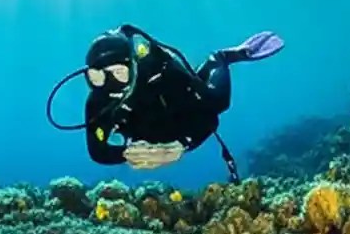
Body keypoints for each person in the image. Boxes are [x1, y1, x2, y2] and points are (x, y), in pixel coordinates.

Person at [45, 23, 284, 182]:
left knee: (217, 101)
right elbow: (97, 152)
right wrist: (128, 154)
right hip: (152, 129)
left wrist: (182, 145)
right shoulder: (98, 101)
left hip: (179, 109)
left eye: (119, 73)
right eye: (97, 77)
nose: (109, 85)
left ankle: (220, 57)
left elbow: (209, 119)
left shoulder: (161, 74)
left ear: (134, 68)